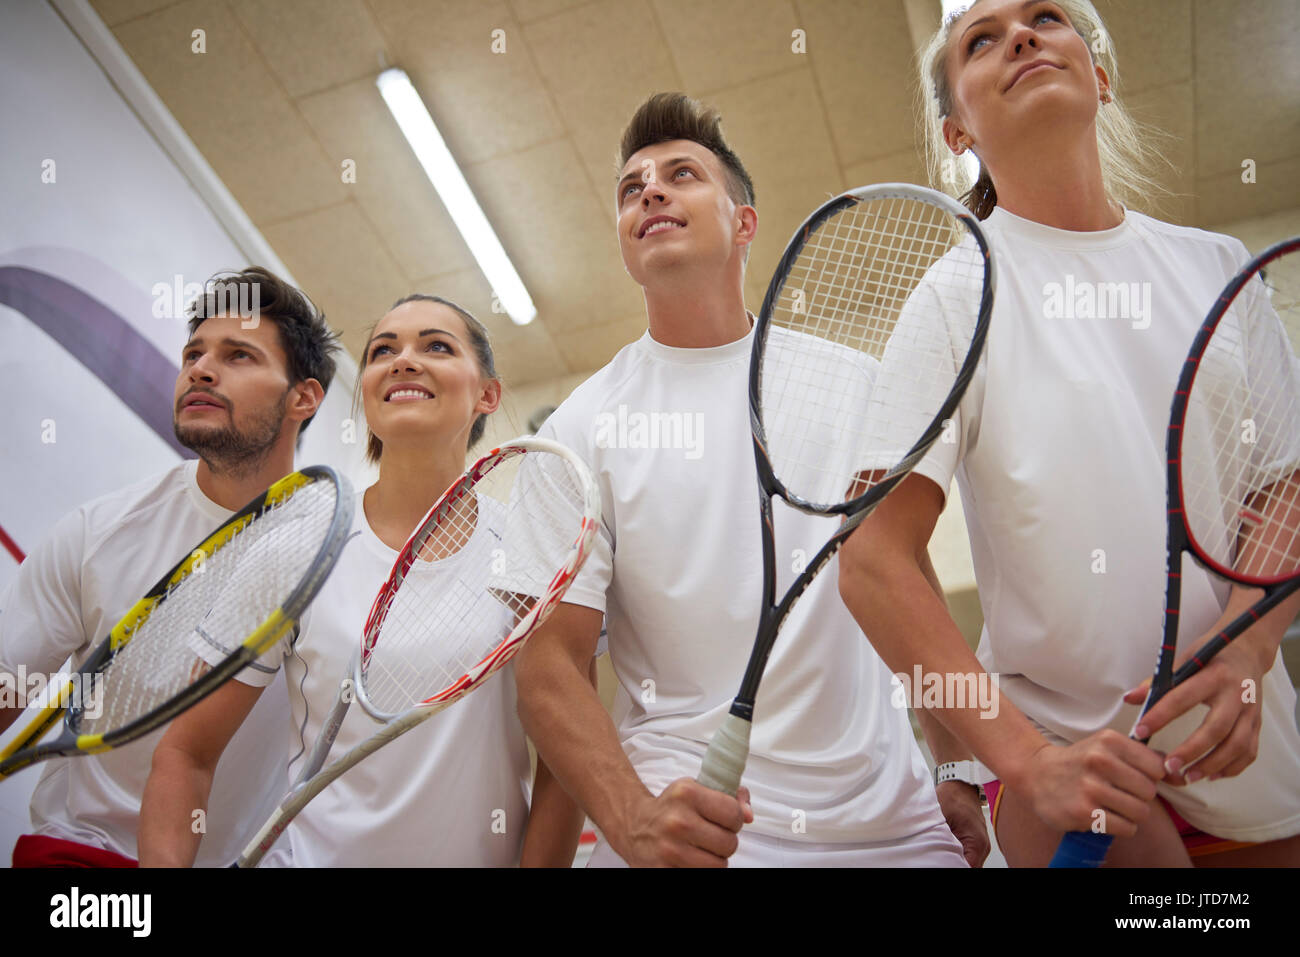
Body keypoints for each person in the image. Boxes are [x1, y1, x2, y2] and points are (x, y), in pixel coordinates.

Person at [838, 0, 1300, 866]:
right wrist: (1022, 761)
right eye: (981, 40)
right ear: (957, 131)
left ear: (1102, 76)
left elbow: (1286, 484)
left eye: (1046, 18)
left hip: (1250, 753)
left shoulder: (1217, 265)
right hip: (1064, 764)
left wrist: (1254, 640)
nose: (1020, 35)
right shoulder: (952, 296)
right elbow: (872, 558)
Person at [514, 92, 982, 867]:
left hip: (890, 829)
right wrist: (629, 819)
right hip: (685, 821)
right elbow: (549, 666)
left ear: (744, 224)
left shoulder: (854, 383)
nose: (651, 192)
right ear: (625, 240)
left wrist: (959, 764)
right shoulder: (574, 430)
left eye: (681, 175)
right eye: (632, 188)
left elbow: (908, 582)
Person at [139, 294, 585, 866]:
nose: (403, 360)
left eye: (437, 346)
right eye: (382, 351)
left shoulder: (529, 554)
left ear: (487, 394)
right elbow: (185, 754)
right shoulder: (297, 545)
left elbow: (565, 768)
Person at [0, 266, 335, 866]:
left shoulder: (334, 549)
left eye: (238, 356)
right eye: (194, 354)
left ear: (303, 397)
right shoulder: (98, 532)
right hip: (82, 856)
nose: (201, 370)